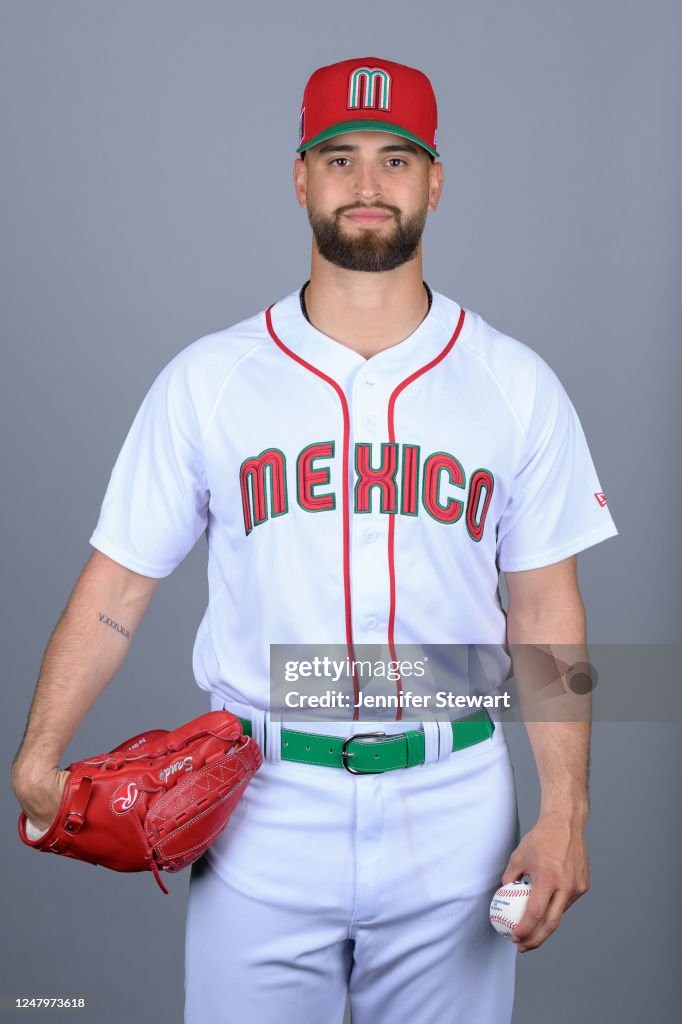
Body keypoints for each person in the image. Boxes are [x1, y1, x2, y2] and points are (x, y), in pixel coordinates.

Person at [12, 56, 618, 1024]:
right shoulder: (209, 379)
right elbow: (118, 585)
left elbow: (546, 609)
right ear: (300, 178)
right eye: (339, 159)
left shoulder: (514, 383)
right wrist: (38, 752)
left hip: (454, 803)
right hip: (256, 802)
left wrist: (564, 811)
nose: (368, 185)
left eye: (395, 159)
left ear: (434, 179)